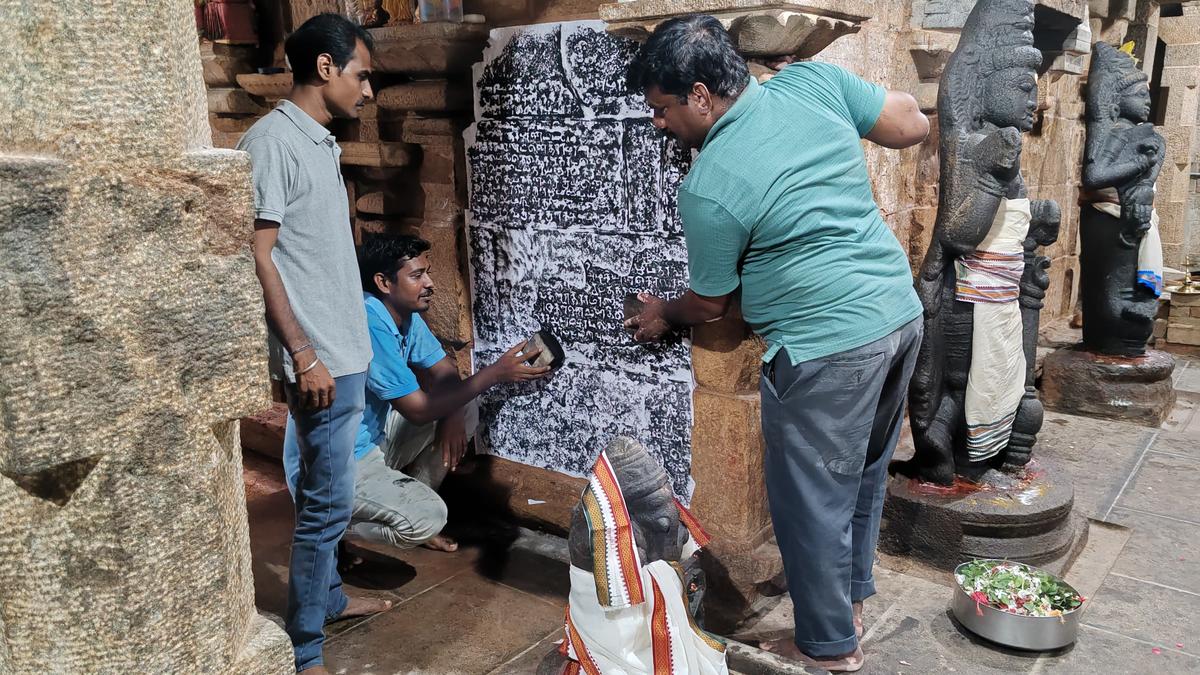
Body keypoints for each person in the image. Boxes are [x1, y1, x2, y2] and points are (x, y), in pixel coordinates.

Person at [623, 15, 929, 673]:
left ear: (701, 95)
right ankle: (844, 608)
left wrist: (661, 312)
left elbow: (711, 302)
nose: (658, 123)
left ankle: (828, 648)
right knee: (862, 477)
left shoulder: (709, 187)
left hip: (828, 344)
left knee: (809, 500)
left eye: (662, 107)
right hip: (898, 315)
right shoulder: (813, 84)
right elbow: (910, 124)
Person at [237, 13, 383, 674]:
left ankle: (327, 600)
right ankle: (305, 649)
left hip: (342, 350)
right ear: (325, 68)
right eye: (362, 75)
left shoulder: (320, 141)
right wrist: (302, 352)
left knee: (322, 487)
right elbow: (259, 254)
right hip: (319, 356)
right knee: (326, 506)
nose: (369, 90)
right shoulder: (271, 142)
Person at [285, 235, 550, 556]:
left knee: (464, 408)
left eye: (428, 272)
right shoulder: (369, 321)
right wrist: (496, 372)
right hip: (334, 465)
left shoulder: (402, 313)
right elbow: (418, 411)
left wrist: (452, 414)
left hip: (372, 442)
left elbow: (445, 370)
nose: (429, 283)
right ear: (383, 282)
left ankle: (402, 508)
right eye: (417, 275)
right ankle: (329, 524)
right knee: (430, 517)